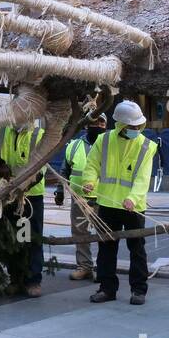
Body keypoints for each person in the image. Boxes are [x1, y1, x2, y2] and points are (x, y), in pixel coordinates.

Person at [89, 101, 158, 306]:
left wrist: (132, 199)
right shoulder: (104, 140)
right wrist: (89, 182)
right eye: (132, 126)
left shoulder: (147, 146)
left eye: (138, 126)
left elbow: (143, 179)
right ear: (120, 125)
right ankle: (107, 288)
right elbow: (92, 164)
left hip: (133, 207)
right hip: (107, 204)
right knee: (106, 248)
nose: (136, 130)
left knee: (137, 249)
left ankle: (138, 290)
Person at [0, 120, 50, 298]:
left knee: (30, 237)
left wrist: (25, 185)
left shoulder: (38, 135)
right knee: (11, 238)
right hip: (5, 195)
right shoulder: (2, 131)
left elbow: (41, 165)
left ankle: (33, 280)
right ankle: (15, 278)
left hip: (31, 196)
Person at [54, 111, 107, 280]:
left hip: (104, 200)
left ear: (105, 126)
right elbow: (65, 170)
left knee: (104, 235)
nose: (97, 126)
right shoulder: (74, 145)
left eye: (101, 123)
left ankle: (104, 269)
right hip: (79, 199)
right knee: (80, 234)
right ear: (86, 124)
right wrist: (60, 191)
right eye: (93, 122)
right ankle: (84, 266)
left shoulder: (110, 145)